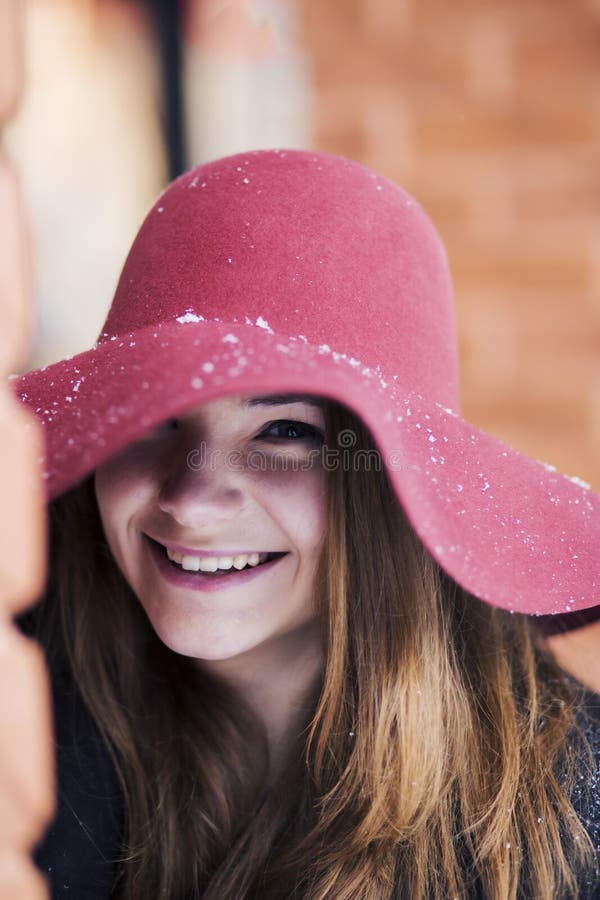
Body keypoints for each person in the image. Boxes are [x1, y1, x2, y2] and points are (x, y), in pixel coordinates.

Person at [13, 149, 600, 899]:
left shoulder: (571, 827)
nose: (192, 498)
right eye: (153, 418)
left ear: (390, 490)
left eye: (285, 433)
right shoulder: (31, 711)